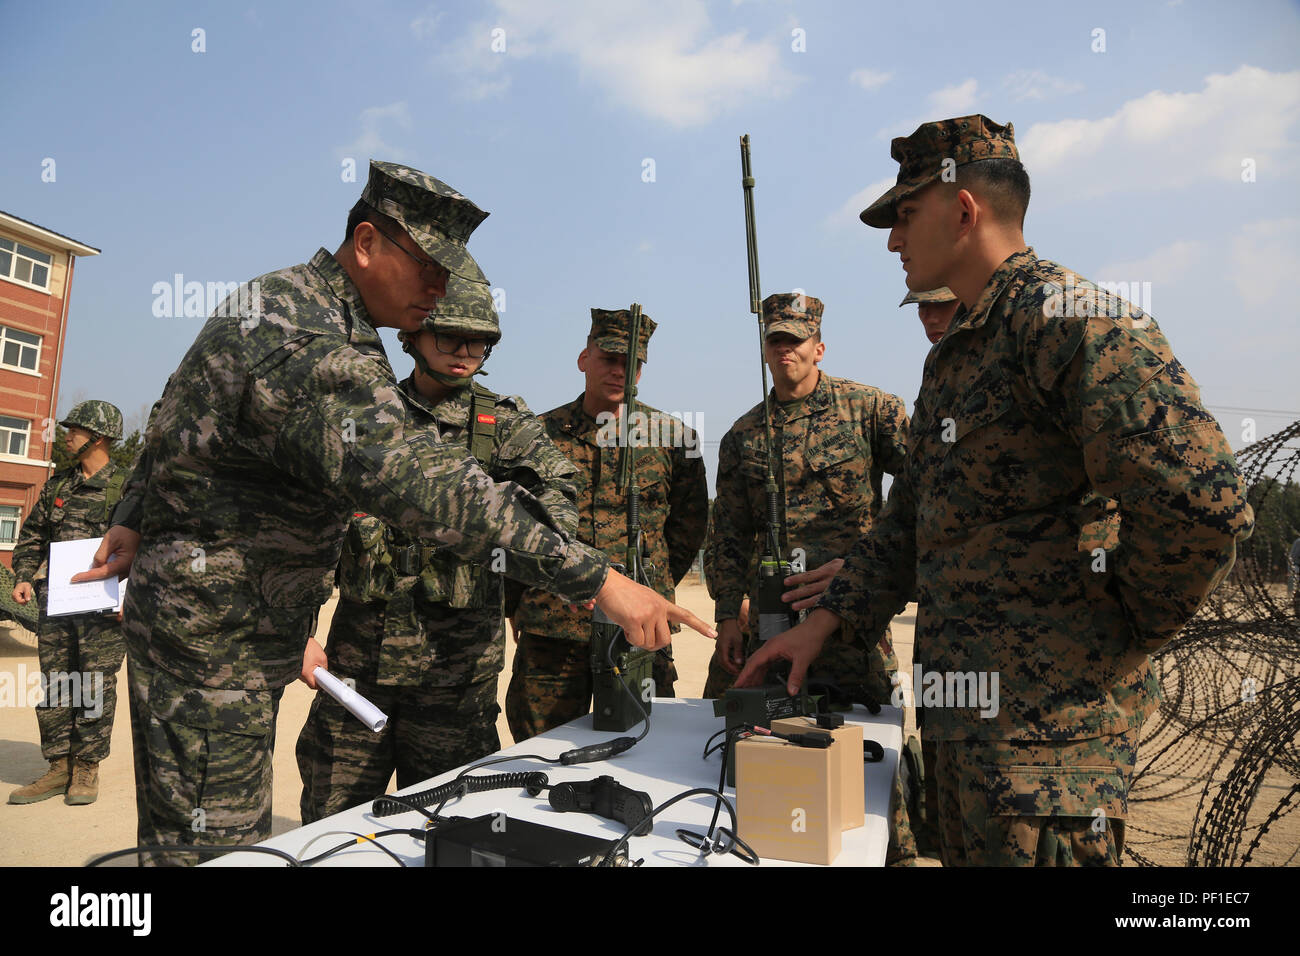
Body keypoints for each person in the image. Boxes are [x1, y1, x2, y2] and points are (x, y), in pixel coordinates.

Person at [74, 161, 711, 861]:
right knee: (210, 848)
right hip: (216, 642)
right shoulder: (316, 344)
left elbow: (178, 412)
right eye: (430, 270)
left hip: (246, 634)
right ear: (368, 242)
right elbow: (423, 484)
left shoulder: (282, 300)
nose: (440, 293)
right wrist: (599, 580)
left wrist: (135, 511)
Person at [739, 115, 1254, 866]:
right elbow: (909, 520)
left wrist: (1115, 632)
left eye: (904, 216)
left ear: (963, 210)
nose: (892, 242)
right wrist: (824, 625)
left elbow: (1200, 503)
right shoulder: (955, 357)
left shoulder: (1072, 323)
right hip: (963, 736)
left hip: (1044, 757)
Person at [295, 280, 581, 822]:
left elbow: (558, 510)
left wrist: (494, 512)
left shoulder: (506, 428)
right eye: (452, 339)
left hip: (455, 679)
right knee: (334, 822)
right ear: (415, 335)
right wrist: (301, 627)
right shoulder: (371, 414)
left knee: (452, 828)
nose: (465, 355)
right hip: (357, 669)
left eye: (479, 344)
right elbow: (313, 530)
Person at [702, 291, 912, 858]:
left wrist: (867, 564)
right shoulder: (744, 436)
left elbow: (928, 489)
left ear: (818, 347)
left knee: (875, 764)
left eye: (796, 339)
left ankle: (892, 854)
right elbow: (726, 535)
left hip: (847, 623)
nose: (785, 348)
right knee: (739, 753)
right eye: (776, 339)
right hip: (767, 625)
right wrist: (726, 613)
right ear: (766, 350)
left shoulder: (870, 410)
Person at [506, 308, 708, 740]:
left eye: (631, 363)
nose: (620, 372)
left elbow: (688, 529)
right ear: (584, 358)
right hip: (554, 625)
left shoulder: (674, 439)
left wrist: (653, 584)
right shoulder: (539, 435)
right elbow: (515, 524)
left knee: (647, 746)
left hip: (640, 628)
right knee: (542, 749)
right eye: (609, 359)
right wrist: (513, 601)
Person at [9, 401, 128, 806]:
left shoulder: (126, 489)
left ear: (98, 436)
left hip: (104, 611)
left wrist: (131, 598)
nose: (67, 435)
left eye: (75, 429)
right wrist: (24, 576)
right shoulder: (58, 486)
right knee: (57, 684)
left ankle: (87, 766)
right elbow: (31, 537)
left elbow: (146, 551)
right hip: (57, 603)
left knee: (94, 685)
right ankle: (58, 766)